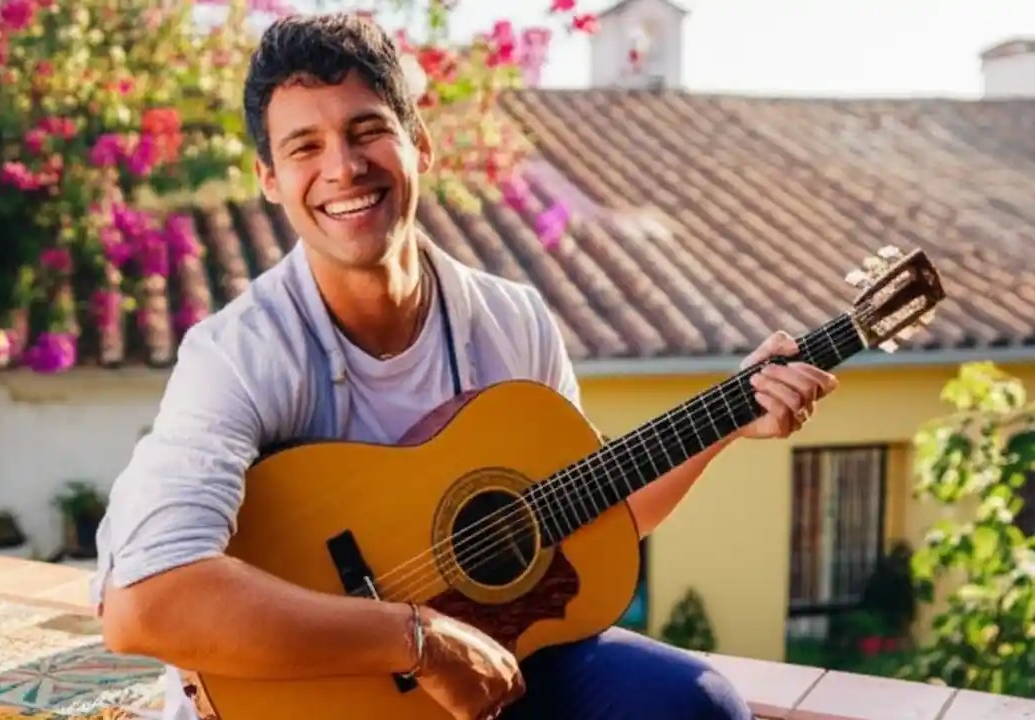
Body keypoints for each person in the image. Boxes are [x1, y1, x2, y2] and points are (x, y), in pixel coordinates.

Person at [92, 12, 839, 720]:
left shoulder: (510, 319)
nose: (344, 168)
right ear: (268, 178)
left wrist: (731, 417)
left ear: (419, 143)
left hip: (493, 655)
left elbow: (592, 519)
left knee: (698, 701)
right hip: (313, 694)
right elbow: (144, 604)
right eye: (305, 148)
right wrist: (419, 639)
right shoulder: (239, 353)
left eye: (366, 131)